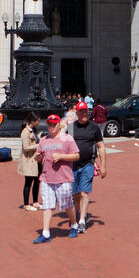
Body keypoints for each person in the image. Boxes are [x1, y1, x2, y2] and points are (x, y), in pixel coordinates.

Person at [33, 114, 81, 244]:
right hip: (47, 178)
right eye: (49, 124)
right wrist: (37, 157)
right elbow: (38, 157)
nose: (51, 127)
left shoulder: (67, 139)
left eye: (54, 124)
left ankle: (74, 224)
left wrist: (61, 156)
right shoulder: (44, 140)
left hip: (64, 178)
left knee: (66, 204)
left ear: (59, 125)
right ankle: (46, 233)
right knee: (47, 205)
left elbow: (76, 156)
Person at [69, 101, 107, 234]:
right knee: (75, 194)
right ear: (77, 113)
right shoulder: (71, 127)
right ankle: (79, 214)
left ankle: (81, 221)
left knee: (84, 193)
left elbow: (101, 146)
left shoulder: (94, 127)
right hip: (72, 166)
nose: (84, 114)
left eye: (86, 111)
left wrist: (103, 166)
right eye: (81, 111)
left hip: (88, 164)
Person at [18, 112, 42, 210]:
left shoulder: (34, 130)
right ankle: (26, 204)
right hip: (29, 160)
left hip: (36, 159)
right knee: (28, 182)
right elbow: (26, 147)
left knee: (37, 181)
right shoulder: (25, 132)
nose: (38, 123)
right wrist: (38, 145)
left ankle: (35, 201)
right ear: (32, 121)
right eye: (37, 121)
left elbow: (37, 140)